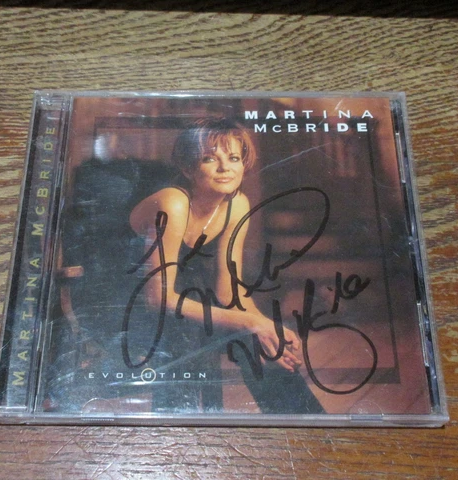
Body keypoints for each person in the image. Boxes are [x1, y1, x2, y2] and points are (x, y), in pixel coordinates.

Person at [128, 117, 325, 414]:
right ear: (188, 168)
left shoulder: (237, 204)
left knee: (261, 341)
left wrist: (267, 328)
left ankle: (305, 425)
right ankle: (180, 425)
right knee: (193, 326)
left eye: (233, 158)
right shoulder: (174, 202)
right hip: (124, 302)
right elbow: (157, 298)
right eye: (210, 159)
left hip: (181, 299)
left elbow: (229, 291)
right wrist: (251, 323)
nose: (225, 168)